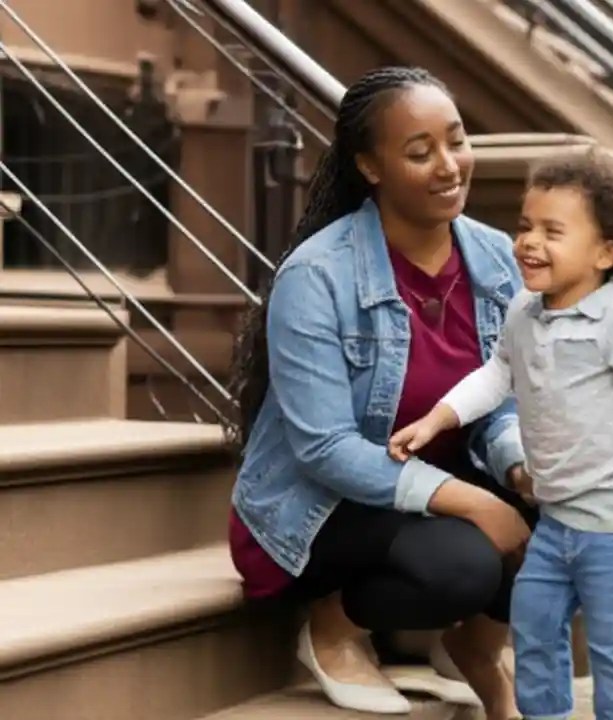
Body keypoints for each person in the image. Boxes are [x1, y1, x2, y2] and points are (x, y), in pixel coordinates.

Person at [225, 66, 532, 720]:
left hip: (435, 481)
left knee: (590, 517)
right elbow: (325, 448)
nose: (449, 165)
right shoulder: (317, 274)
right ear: (370, 166)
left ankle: (479, 650)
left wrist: (518, 468)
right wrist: (476, 503)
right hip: (321, 507)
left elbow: (502, 398)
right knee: (465, 569)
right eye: (420, 152)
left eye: (457, 140)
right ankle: (332, 627)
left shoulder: (496, 258)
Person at [389, 150, 613, 720]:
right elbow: (494, 377)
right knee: (533, 629)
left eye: (553, 232)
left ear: (606, 253)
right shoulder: (523, 313)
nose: (529, 242)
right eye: (525, 226)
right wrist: (437, 418)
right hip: (556, 522)